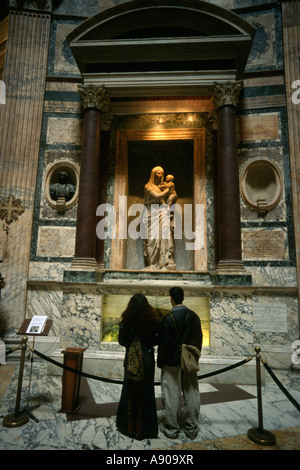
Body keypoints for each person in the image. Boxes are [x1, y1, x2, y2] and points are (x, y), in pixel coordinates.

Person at [157, 286, 203, 439]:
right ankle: (191, 427)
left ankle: (172, 428)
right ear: (183, 298)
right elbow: (199, 339)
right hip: (189, 361)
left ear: (171, 299)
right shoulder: (194, 316)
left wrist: (161, 362)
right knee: (191, 393)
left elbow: (163, 344)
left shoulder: (167, 319)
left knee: (171, 395)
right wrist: (193, 357)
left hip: (171, 362)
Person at [116, 294, 159, 440]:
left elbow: (121, 341)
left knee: (129, 393)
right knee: (146, 394)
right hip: (146, 362)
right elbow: (155, 341)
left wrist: (132, 344)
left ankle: (128, 427)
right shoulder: (152, 321)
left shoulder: (126, 321)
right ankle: (145, 429)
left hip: (131, 361)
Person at [143, 166, 176, 270]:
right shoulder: (148, 187)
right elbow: (157, 196)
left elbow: (173, 194)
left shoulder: (164, 186)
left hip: (162, 212)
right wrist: (168, 189)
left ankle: (165, 260)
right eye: (158, 173)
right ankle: (152, 264)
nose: (161, 175)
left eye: (162, 173)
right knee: (152, 239)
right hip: (151, 213)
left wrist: (172, 195)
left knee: (166, 234)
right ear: (153, 175)